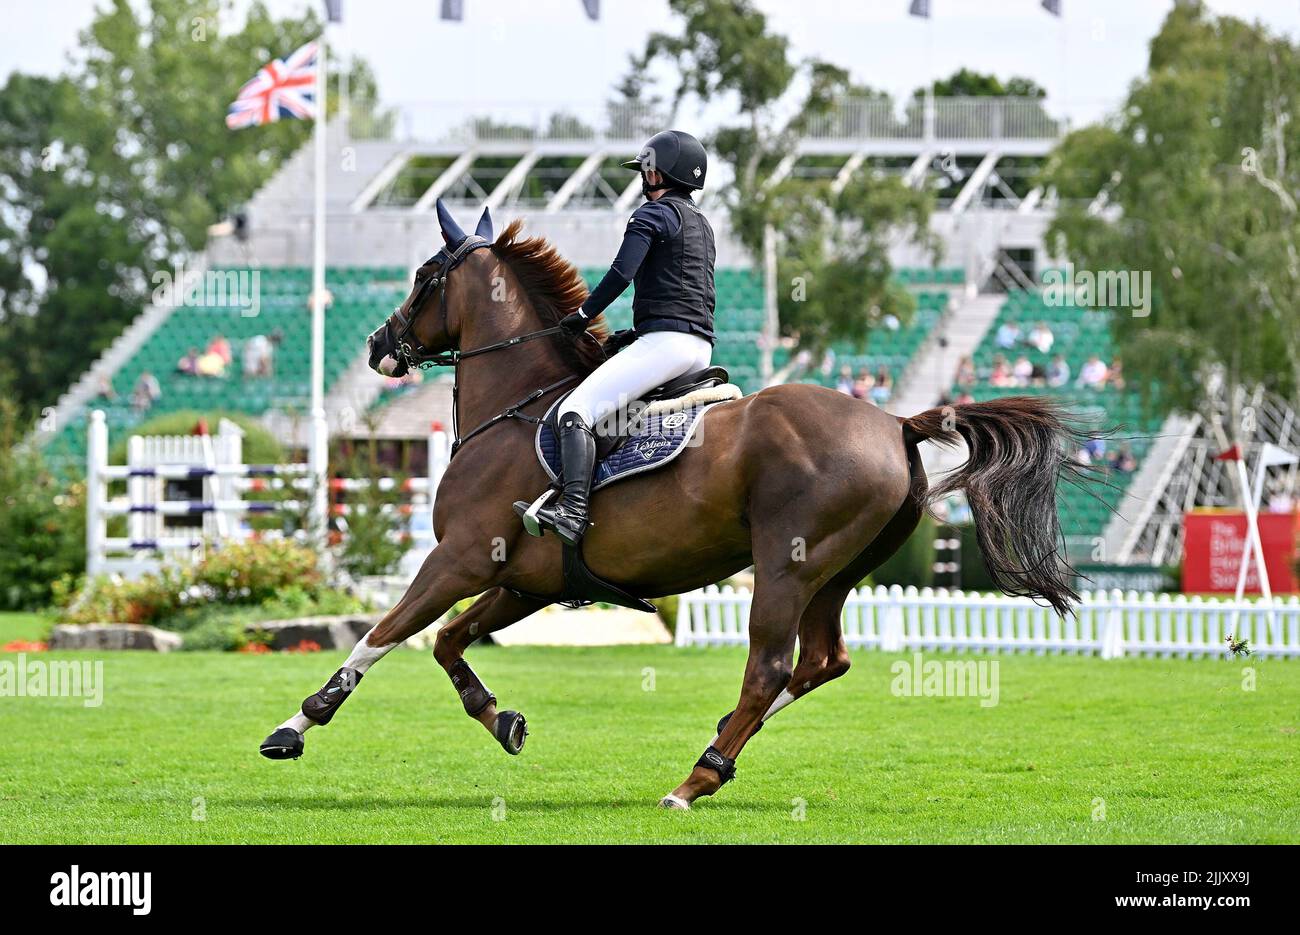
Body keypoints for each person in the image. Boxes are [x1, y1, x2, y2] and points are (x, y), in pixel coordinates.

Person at [517, 130, 715, 547]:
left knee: (575, 411)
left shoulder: (650, 216)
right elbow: (683, 294)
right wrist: (630, 334)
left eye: (646, 171)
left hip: (668, 345)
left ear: (658, 173)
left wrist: (583, 315)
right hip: (698, 348)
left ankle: (572, 511)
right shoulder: (702, 224)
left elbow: (622, 274)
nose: (643, 180)